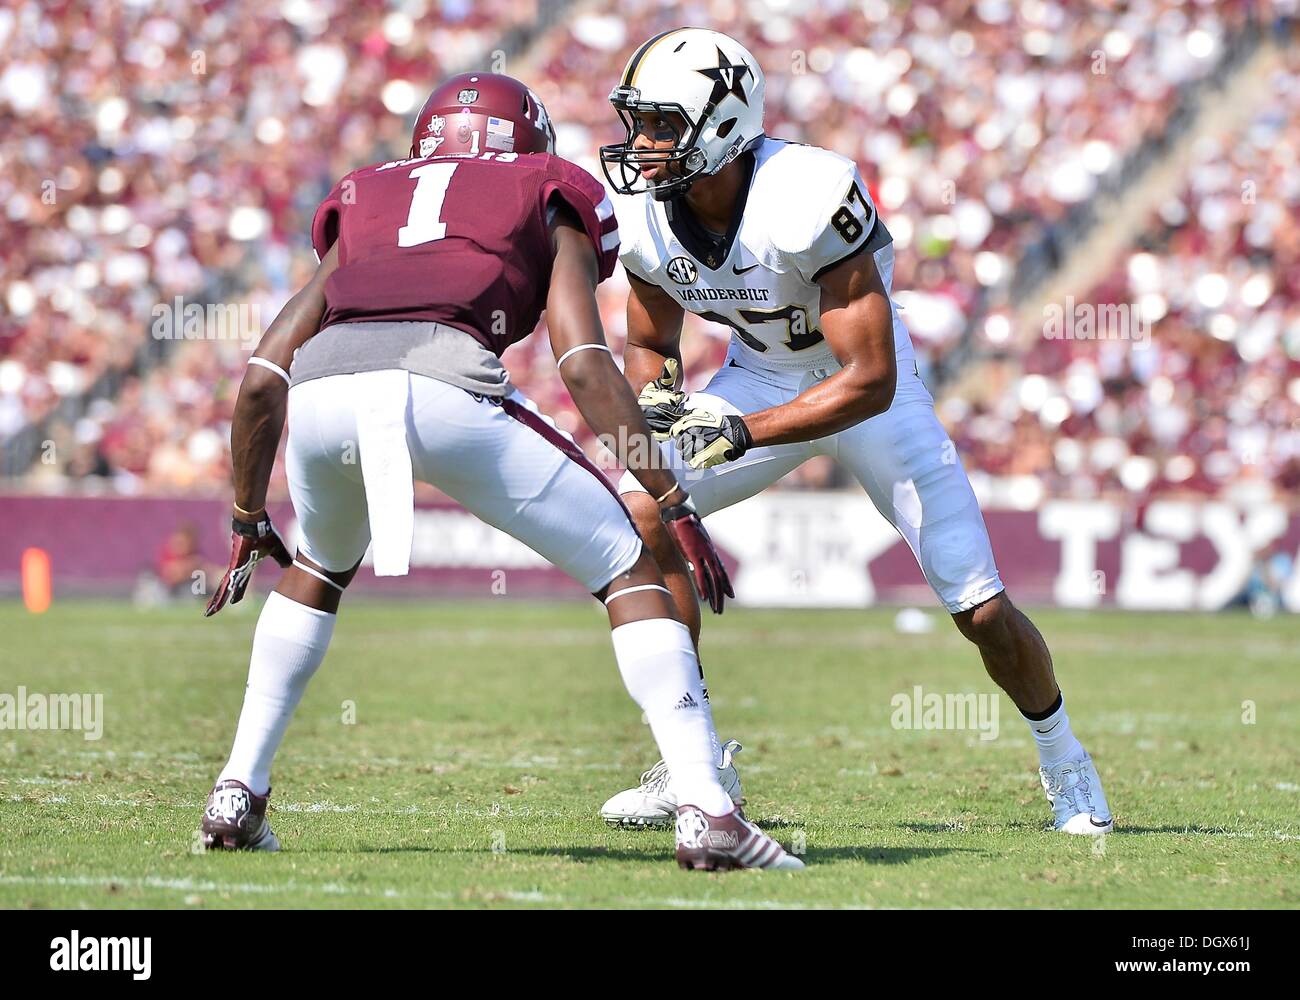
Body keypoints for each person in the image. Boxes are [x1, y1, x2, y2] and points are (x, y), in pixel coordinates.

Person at [198, 71, 800, 871]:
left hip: (320, 393)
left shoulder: (366, 191)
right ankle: (708, 810)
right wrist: (671, 497)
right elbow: (584, 362)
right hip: (443, 383)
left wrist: (246, 514)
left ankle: (237, 793)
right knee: (630, 567)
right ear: (529, 140)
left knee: (316, 566)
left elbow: (264, 372)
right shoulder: (551, 187)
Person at [596, 28, 1113, 836]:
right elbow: (651, 344)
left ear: (724, 125)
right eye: (640, 123)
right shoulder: (646, 214)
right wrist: (662, 408)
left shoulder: (805, 195)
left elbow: (870, 379)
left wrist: (740, 429)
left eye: (663, 125)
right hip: (758, 377)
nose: (643, 145)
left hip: (871, 393)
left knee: (978, 607)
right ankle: (694, 766)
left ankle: (1065, 757)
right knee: (639, 508)